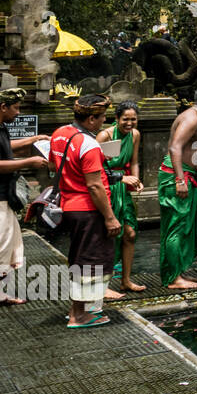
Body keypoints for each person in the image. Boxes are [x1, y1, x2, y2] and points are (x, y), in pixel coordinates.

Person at [51, 95, 122, 326]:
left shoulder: (60, 133)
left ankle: (78, 309)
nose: (103, 123)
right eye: (102, 118)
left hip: (68, 204)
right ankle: (78, 316)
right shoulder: (88, 144)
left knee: (79, 258)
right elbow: (94, 185)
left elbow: (54, 165)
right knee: (90, 261)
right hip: (88, 209)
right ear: (91, 118)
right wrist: (110, 218)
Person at [159, 85, 197, 290]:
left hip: (187, 174)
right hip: (177, 176)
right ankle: (174, 278)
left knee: (184, 226)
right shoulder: (191, 118)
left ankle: (178, 272)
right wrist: (179, 180)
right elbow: (175, 147)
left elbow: (192, 149)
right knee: (176, 228)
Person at [0, 88, 50, 306]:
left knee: (9, 244)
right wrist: (27, 162)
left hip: (5, 195)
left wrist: (33, 140)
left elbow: (6, 149)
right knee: (2, 244)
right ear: (3, 107)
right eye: (16, 108)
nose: (18, 112)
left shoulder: (2, 127)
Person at [98, 101, 145, 295]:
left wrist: (136, 180)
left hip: (124, 188)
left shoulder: (135, 135)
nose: (130, 123)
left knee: (130, 233)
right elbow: (98, 169)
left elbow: (134, 161)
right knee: (109, 235)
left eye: (133, 119)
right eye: (125, 119)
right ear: (116, 119)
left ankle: (125, 280)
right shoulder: (106, 135)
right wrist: (122, 178)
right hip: (107, 186)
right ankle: (103, 285)